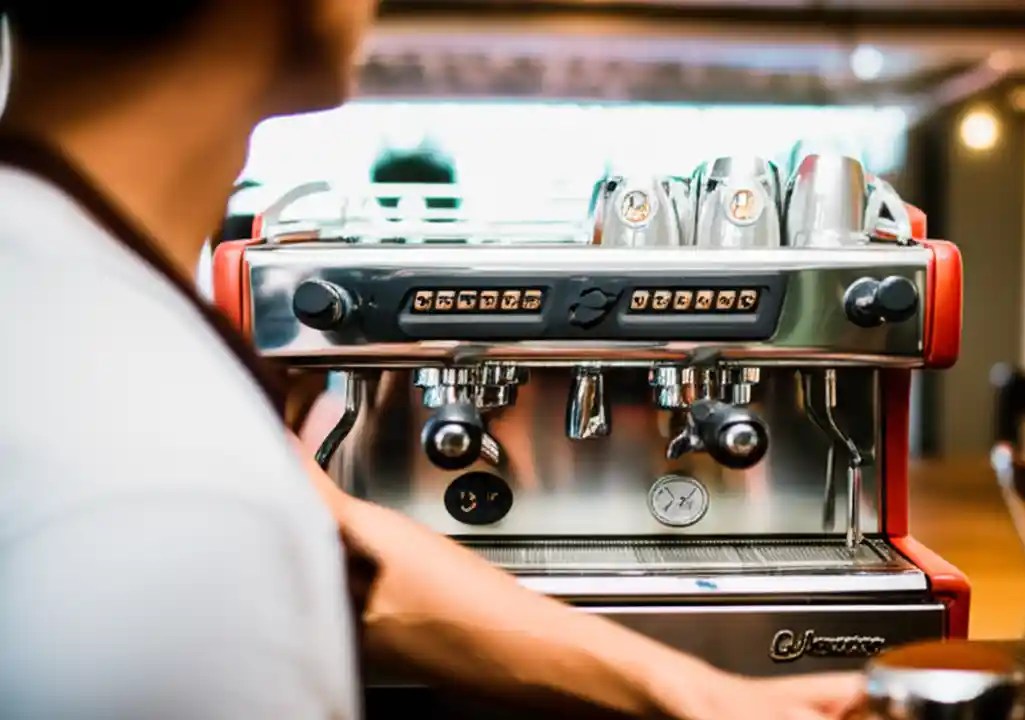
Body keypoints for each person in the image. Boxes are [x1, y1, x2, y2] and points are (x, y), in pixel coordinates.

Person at [0, 3, 866, 719]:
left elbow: (341, 547)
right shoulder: (169, 500)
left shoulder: (65, 306)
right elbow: (229, 522)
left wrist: (699, 696)